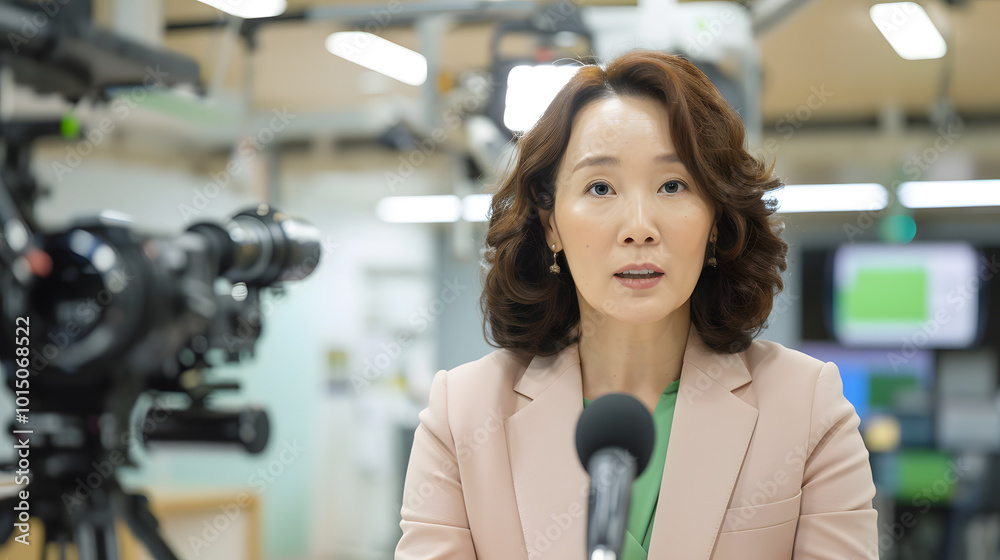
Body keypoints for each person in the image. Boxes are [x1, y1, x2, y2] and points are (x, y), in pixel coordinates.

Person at [395, 49, 878, 560]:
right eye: (600, 187)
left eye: (673, 185)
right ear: (551, 223)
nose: (640, 227)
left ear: (715, 219)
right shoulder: (464, 413)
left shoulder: (807, 409)